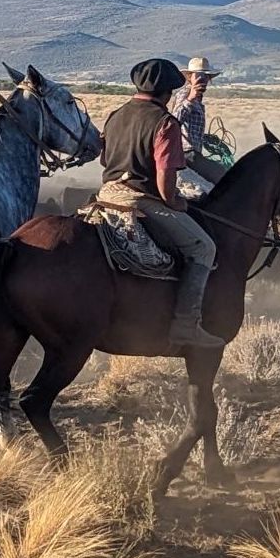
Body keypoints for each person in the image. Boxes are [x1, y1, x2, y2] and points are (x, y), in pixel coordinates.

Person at [98, 58, 223, 349]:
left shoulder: (116, 115)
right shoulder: (165, 122)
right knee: (204, 247)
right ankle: (186, 327)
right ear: (168, 92)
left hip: (106, 195)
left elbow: (106, 160)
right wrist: (175, 202)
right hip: (140, 199)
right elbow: (166, 178)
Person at [169, 56, 229, 184]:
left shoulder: (198, 99)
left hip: (194, 152)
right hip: (186, 153)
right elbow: (174, 120)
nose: (203, 79)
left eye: (205, 76)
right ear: (190, 77)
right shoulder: (184, 95)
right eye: (198, 76)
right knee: (222, 174)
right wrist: (190, 99)